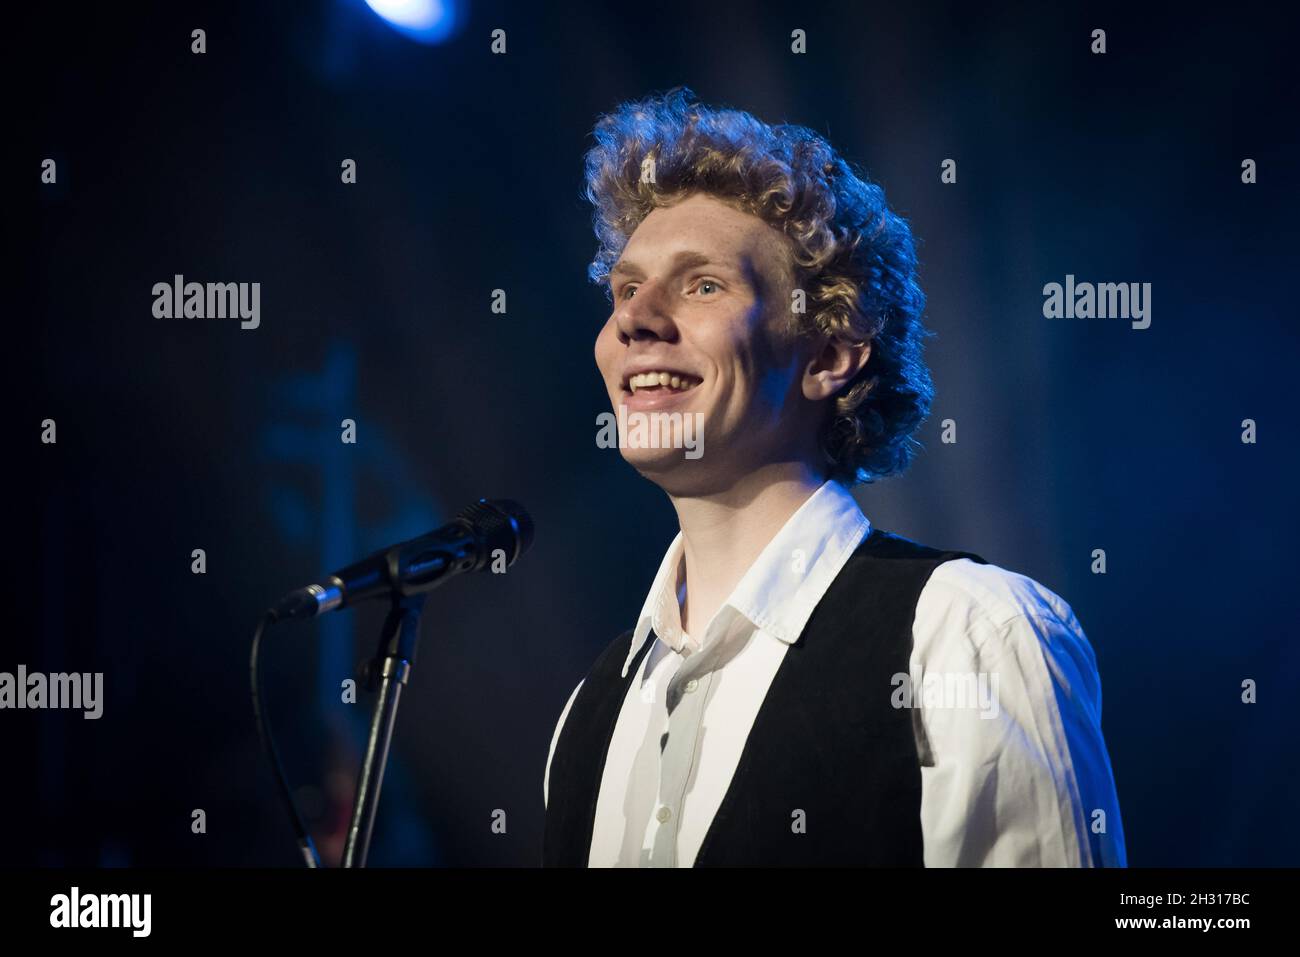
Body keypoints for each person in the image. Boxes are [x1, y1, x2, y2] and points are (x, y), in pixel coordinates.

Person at [542, 88, 1125, 867]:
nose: (634, 319)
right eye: (624, 288)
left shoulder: (966, 636)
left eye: (702, 284)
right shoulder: (591, 712)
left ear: (827, 354)